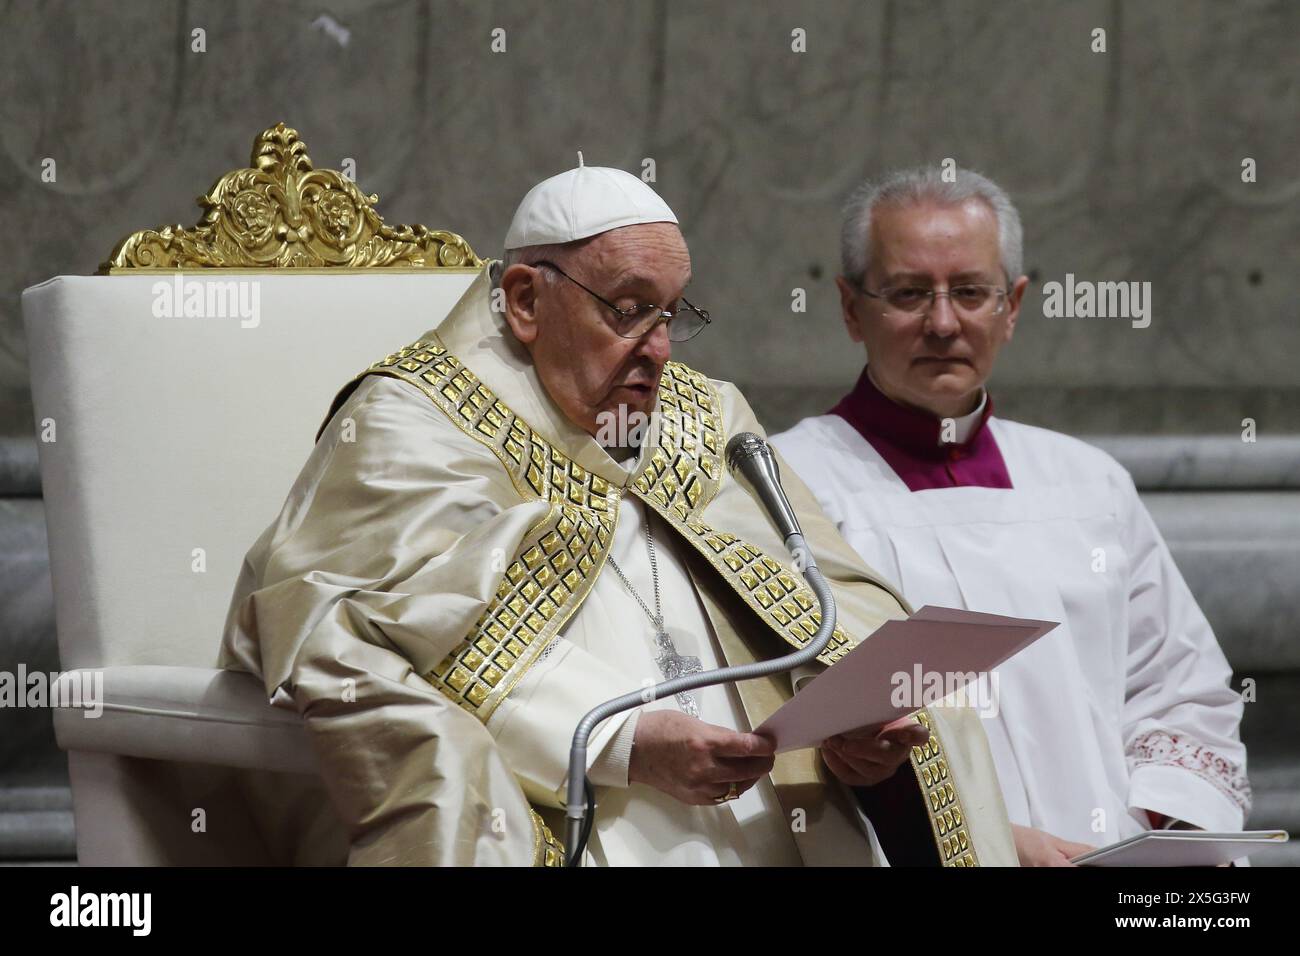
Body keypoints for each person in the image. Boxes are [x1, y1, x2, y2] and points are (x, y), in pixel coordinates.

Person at [219, 160, 1018, 866]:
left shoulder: (705, 417)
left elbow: (829, 595)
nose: (661, 349)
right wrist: (618, 738)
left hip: (770, 806)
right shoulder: (412, 421)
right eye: (628, 309)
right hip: (567, 808)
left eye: (672, 313)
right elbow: (339, 629)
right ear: (527, 300)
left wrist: (855, 727)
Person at [771, 166, 1250, 866]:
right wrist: (986, 843)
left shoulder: (1090, 484)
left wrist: (1144, 834)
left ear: (1014, 305)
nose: (942, 323)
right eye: (908, 293)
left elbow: (1182, 691)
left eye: (970, 292)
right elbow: (779, 727)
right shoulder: (785, 486)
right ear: (850, 307)